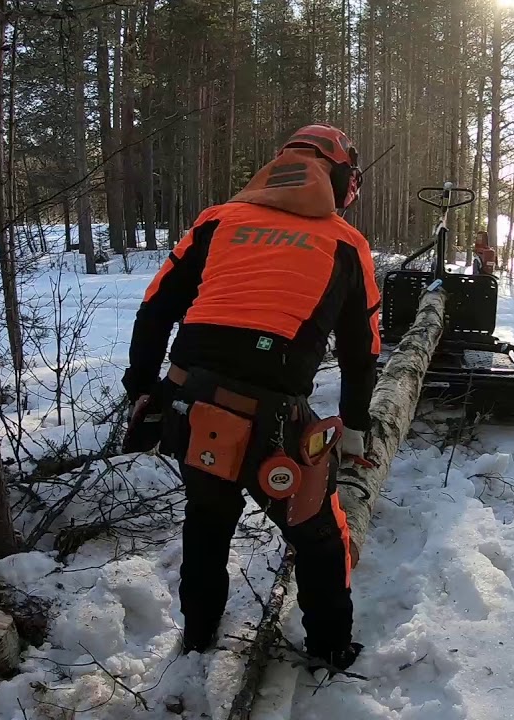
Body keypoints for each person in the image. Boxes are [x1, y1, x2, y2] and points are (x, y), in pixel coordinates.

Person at [120, 124, 380, 673]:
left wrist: (143, 388)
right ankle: (331, 646)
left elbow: (155, 309)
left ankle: (198, 635)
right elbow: (363, 354)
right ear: (337, 178)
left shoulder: (218, 220)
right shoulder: (346, 244)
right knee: (319, 531)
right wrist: (355, 429)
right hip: (274, 413)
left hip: (191, 398)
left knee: (207, 515)